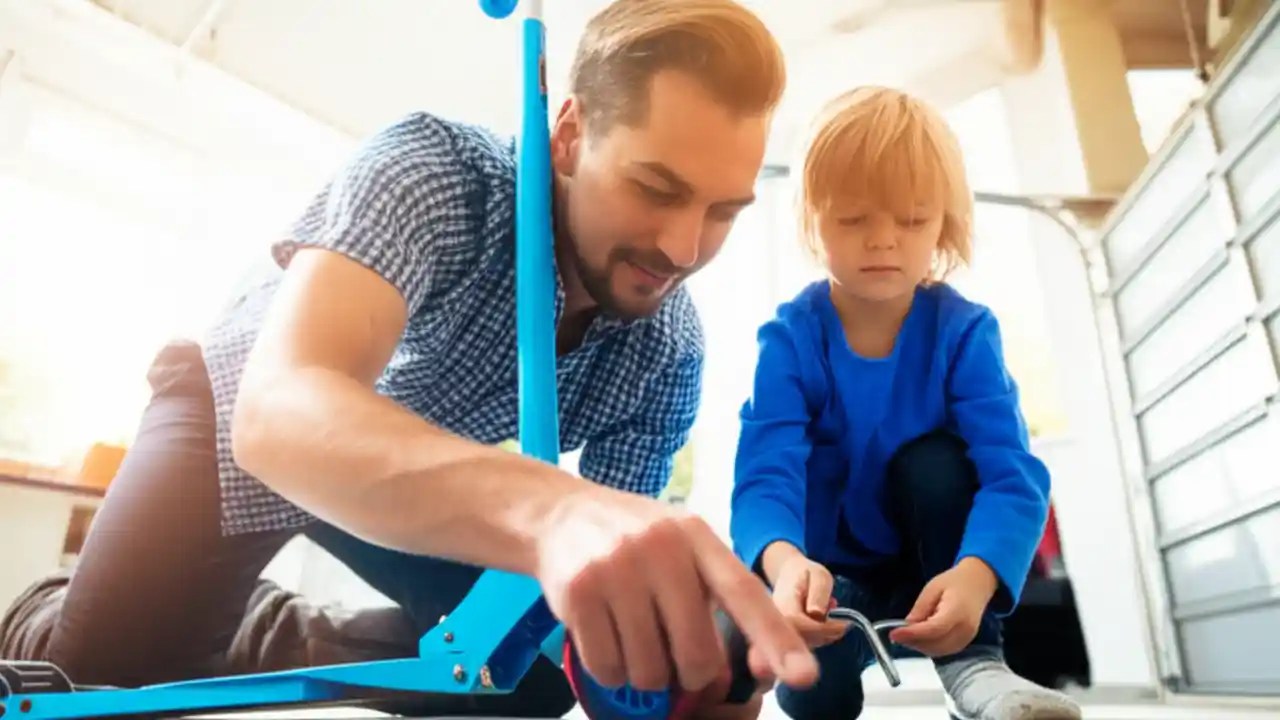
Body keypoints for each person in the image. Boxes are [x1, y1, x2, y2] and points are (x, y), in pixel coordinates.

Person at [0, 1, 818, 717]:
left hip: (419, 482)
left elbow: (600, 590)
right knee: (101, 688)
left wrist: (690, 663)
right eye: (655, 187)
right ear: (567, 136)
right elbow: (280, 410)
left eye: (723, 212)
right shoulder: (438, 170)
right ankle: (55, 612)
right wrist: (554, 509)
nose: (682, 247)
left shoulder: (669, 354)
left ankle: (254, 629)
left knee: (525, 678)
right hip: (242, 408)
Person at [728, 86, 1083, 720]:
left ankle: (976, 663)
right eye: (853, 219)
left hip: (937, 571)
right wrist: (785, 570)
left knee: (939, 461)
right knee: (815, 698)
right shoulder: (789, 339)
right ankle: (810, 670)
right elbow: (764, 477)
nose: (883, 241)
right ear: (811, 219)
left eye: (912, 220)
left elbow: (1013, 475)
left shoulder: (965, 331)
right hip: (827, 584)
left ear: (943, 222)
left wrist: (975, 577)